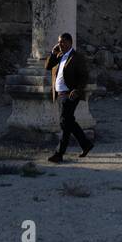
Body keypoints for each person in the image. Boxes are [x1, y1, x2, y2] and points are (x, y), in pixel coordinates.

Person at [45, 32, 93, 163]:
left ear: (70, 43)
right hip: (60, 95)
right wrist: (53, 53)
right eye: (59, 42)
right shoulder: (60, 55)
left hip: (71, 94)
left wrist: (77, 90)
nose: (60, 44)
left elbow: (84, 76)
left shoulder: (77, 57)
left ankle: (59, 153)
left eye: (63, 42)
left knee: (64, 123)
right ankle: (86, 144)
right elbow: (48, 66)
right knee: (68, 122)